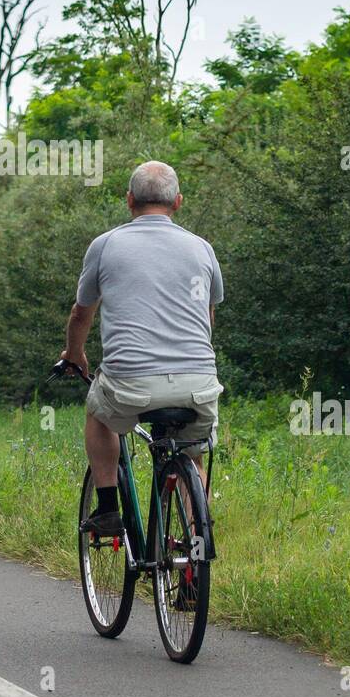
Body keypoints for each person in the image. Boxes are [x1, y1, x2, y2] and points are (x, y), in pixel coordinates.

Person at [61, 160, 224, 537]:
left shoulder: (106, 245)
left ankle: (106, 509)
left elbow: (81, 314)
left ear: (129, 200)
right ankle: (193, 556)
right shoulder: (202, 248)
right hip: (196, 384)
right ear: (178, 202)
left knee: (97, 413)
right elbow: (207, 316)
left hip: (131, 384)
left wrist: (75, 354)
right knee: (191, 458)